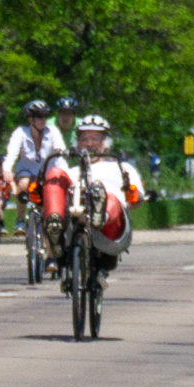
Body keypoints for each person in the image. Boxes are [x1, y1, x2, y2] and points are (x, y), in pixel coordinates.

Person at [59, 113, 144, 274]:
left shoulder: (122, 168)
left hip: (111, 230)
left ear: (106, 143)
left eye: (96, 139)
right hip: (76, 219)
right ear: (78, 144)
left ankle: (101, 216)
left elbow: (137, 198)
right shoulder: (71, 172)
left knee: (109, 197)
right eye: (84, 139)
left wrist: (135, 197)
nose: (89, 144)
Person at [1, 100, 67, 227]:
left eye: (45, 116)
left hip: (47, 172)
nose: (43, 120)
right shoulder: (20, 133)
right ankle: (20, 220)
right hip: (27, 171)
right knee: (23, 184)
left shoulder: (53, 131)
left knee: (52, 195)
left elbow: (61, 151)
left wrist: (65, 171)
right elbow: (11, 153)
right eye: (39, 116)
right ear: (30, 119)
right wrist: (7, 169)